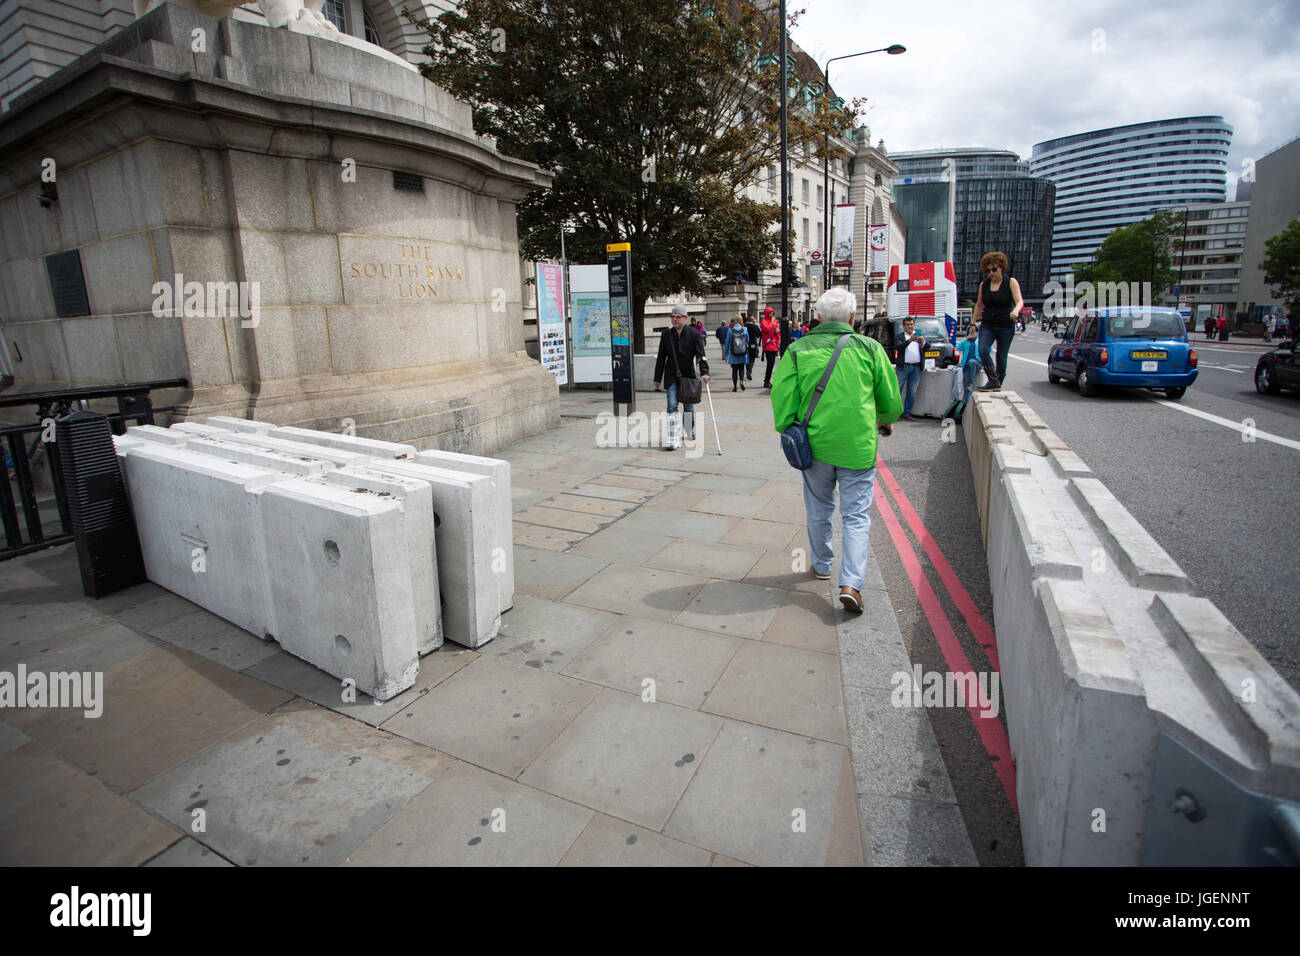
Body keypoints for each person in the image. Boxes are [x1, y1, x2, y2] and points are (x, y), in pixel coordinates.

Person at [771, 287, 902, 613]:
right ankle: (851, 584)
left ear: (817, 316)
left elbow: (783, 405)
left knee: (818, 508)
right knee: (856, 516)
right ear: (853, 317)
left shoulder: (797, 350)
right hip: (857, 447)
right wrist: (884, 420)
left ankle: (823, 564)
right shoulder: (870, 349)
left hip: (814, 448)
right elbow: (891, 403)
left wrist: (791, 427)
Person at [653, 304, 710, 450]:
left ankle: (689, 430)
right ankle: (673, 438)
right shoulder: (666, 335)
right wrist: (657, 377)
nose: (675, 319)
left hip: (688, 376)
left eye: (678, 317)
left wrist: (704, 372)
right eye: (673, 317)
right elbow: (661, 357)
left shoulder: (694, 334)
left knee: (688, 407)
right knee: (671, 405)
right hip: (671, 375)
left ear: (684, 318)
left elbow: (701, 355)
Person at [973, 251, 1023, 392]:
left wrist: (1015, 311)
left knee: (1001, 357)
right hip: (988, 324)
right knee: (982, 349)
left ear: (1001, 268)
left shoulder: (1011, 282)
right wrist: (972, 323)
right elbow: (978, 305)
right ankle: (993, 380)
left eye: (994, 269)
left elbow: (1019, 301)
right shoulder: (984, 285)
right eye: (988, 271)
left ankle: (998, 382)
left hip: (1005, 325)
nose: (991, 273)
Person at [895, 316, 926, 419]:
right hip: (903, 367)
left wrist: (923, 341)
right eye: (908, 324)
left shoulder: (918, 336)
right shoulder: (900, 337)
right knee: (897, 390)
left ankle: (907, 413)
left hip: (916, 367)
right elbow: (899, 347)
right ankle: (895, 412)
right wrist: (909, 341)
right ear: (904, 326)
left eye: (911, 324)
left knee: (912, 392)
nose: (910, 326)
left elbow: (928, 347)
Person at [723, 314, 750, 390]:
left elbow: (727, 342)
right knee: (742, 368)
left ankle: (735, 386)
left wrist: (725, 353)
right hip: (742, 352)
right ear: (741, 320)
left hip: (733, 353)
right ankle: (741, 382)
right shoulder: (745, 329)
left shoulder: (730, 330)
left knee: (734, 370)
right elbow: (748, 340)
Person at [956, 322, 982, 396]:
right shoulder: (966, 341)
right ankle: (966, 402)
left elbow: (989, 349)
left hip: (977, 363)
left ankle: (970, 384)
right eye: (971, 332)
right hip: (966, 365)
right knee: (965, 385)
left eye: (974, 331)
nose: (973, 333)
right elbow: (957, 348)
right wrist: (966, 338)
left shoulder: (979, 341)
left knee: (972, 362)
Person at [760, 306, 780, 388]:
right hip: (768, 346)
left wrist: (778, 341)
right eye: (770, 313)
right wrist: (772, 323)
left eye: (772, 313)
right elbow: (767, 329)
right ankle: (766, 381)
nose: (771, 314)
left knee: (771, 364)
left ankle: (767, 380)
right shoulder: (764, 321)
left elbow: (777, 331)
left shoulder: (775, 321)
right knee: (770, 364)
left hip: (774, 345)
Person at [744, 314, 761, 381]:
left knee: (747, 359)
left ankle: (747, 371)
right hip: (753, 344)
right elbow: (759, 334)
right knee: (752, 359)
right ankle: (749, 371)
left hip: (746, 344)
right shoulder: (754, 326)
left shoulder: (745, 326)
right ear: (753, 320)